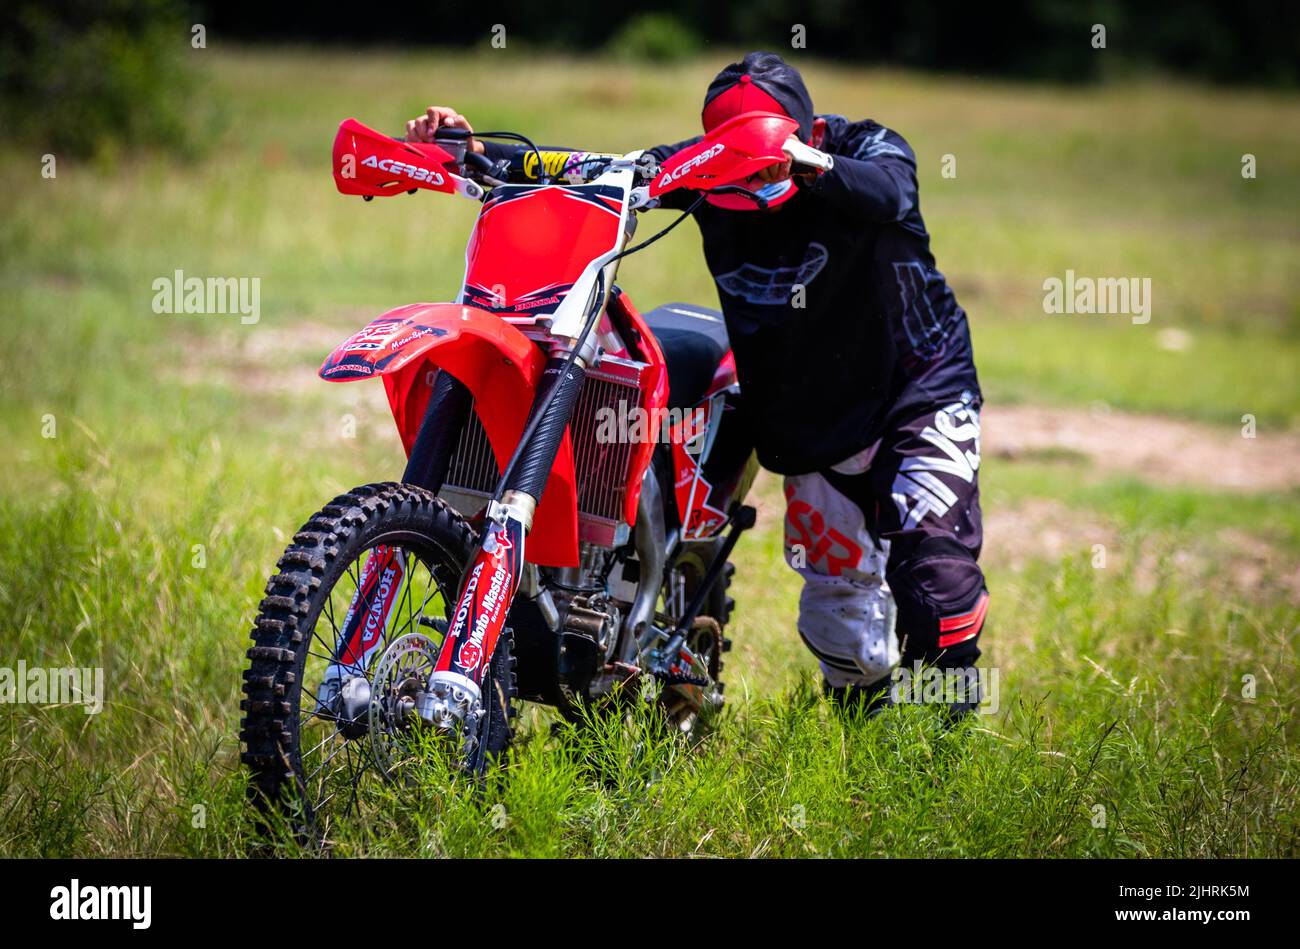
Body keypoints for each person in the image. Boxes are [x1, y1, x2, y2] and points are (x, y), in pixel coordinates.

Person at [405, 51, 987, 718]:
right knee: (845, 632)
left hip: (916, 390)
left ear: (807, 127)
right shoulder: (707, 173)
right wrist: (474, 151)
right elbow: (596, 168)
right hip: (812, 415)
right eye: (730, 155)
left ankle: (944, 753)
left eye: (760, 151)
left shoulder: (863, 147)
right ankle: (870, 744)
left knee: (934, 588)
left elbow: (892, 193)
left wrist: (799, 161)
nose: (750, 175)